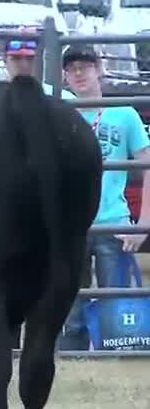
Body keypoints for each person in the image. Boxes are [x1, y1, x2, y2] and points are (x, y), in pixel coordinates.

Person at [57, 44, 150, 351]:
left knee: (118, 311)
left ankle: (115, 362)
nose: (79, 73)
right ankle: (72, 363)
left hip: (114, 222)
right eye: (71, 69)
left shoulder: (124, 113)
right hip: (70, 226)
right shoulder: (60, 114)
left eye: (85, 66)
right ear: (63, 76)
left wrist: (143, 223)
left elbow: (148, 165)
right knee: (69, 309)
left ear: (100, 69)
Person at [0, 29, 76, 100]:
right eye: (17, 58)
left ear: (41, 59)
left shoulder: (64, 98)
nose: (24, 64)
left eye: (30, 58)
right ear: (5, 60)